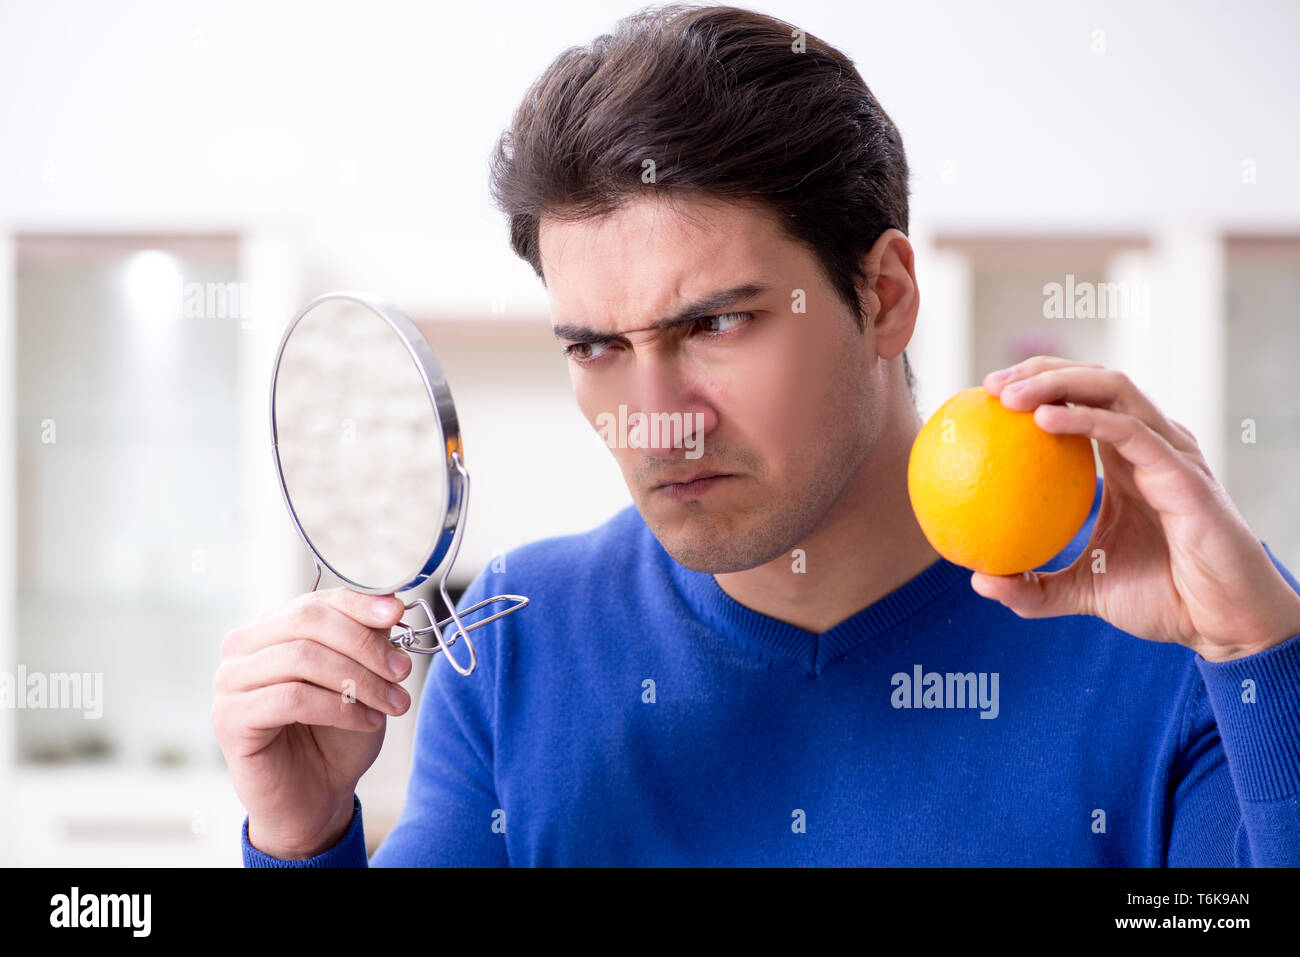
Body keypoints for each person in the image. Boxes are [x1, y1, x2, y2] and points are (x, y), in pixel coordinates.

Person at [213, 3, 1300, 866]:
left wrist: (1267, 664)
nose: (653, 416)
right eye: (594, 346)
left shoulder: (1177, 647)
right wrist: (304, 841)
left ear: (882, 295)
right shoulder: (510, 654)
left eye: (716, 323)